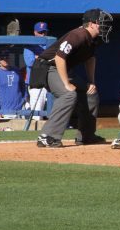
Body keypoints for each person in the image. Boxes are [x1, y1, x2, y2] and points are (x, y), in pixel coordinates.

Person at [34, 8, 112, 148]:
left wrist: (91, 82)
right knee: (68, 94)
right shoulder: (78, 35)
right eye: (101, 23)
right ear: (91, 24)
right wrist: (66, 83)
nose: (105, 26)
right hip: (47, 67)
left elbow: (90, 59)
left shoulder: (95, 39)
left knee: (91, 94)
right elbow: (59, 57)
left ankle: (86, 136)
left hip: (62, 69)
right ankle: (47, 136)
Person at [23, 22, 50, 119]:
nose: (42, 34)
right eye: (40, 32)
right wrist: (44, 59)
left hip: (49, 81)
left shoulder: (49, 45)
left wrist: (38, 58)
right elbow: (30, 62)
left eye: (44, 32)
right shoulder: (29, 46)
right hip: (35, 82)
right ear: (35, 32)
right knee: (37, 115)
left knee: (51, 111)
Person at [0, 53, 24, 119]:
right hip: (6, 109)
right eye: (2, 59)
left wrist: (25, 98)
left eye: (7, 58)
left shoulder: (16, 70)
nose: (5, 60)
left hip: (20, 107)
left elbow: (23, 86)